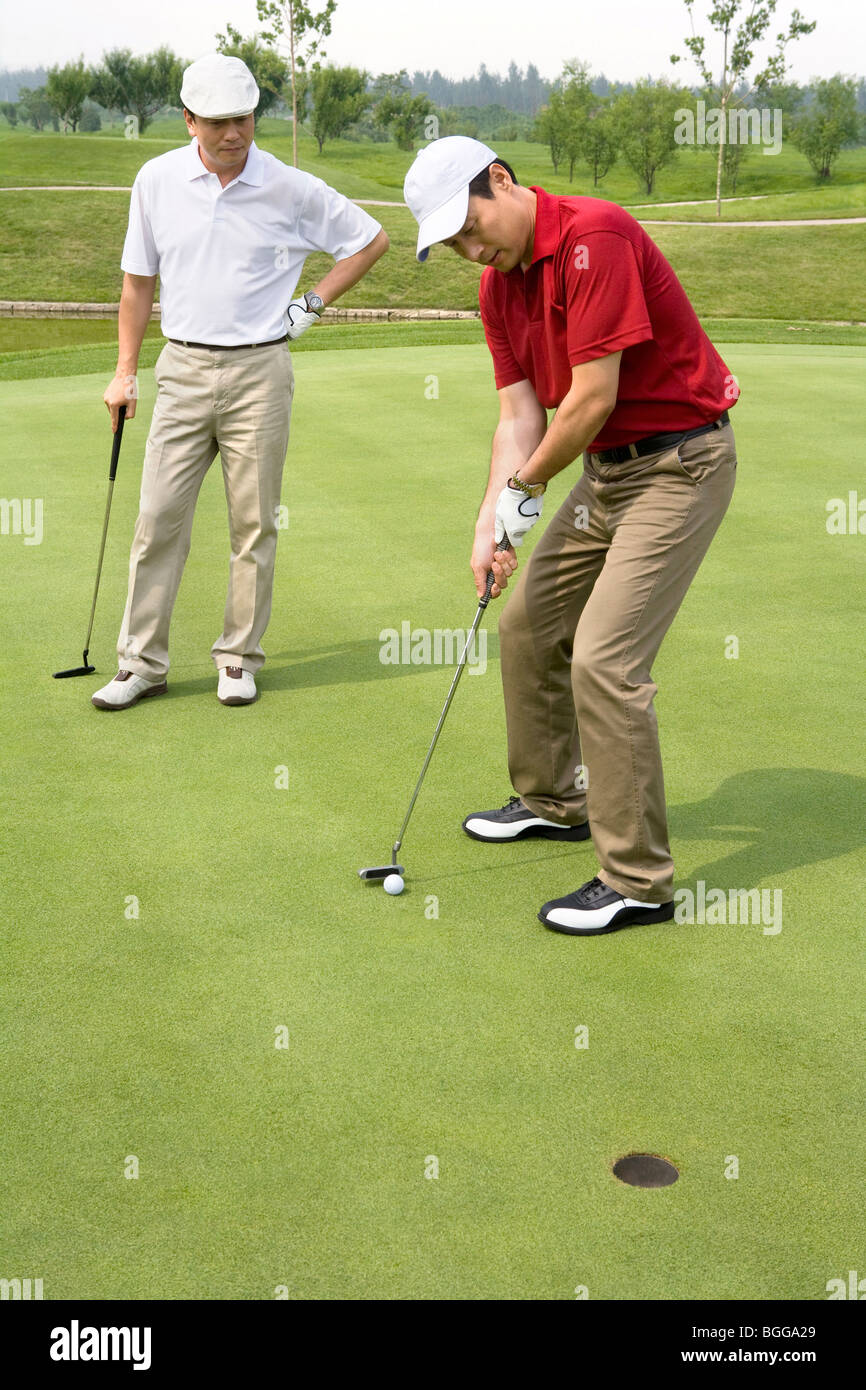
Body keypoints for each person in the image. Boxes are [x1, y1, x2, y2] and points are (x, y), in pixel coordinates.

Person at [404, 137, 739, 936]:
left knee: (605, 660)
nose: (469, 249)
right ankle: (555, 799)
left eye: (469, 227)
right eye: (452, 244)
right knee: (528, 626)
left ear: (501, 180)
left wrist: (524, 490)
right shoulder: (498, 289)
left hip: (681, 464)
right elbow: (519, 416)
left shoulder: (596, 237)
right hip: (605, 475)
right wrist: (490, 524)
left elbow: (591, 398)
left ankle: (638, 881)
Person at [93, 53, 388, 711]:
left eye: (245, 119)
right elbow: (138, 285)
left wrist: (309, 306)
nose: (234, 133)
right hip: (182, 369)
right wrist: (124, 372)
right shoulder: (156, 180)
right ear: (189, 120)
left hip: (260, 371)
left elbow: (370, 240)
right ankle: (141, 664)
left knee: (253, 525)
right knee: (156, 520)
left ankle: (237, 658)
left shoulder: (290, 186)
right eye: (219, 121)